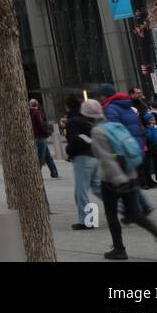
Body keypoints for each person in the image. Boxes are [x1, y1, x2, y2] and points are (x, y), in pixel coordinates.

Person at [87, 99, 157, 260]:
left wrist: (119, 181)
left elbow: (107, 160)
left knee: (111, 214)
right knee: (135, 214)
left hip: (111, 180)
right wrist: (130, 176)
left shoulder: (97, 132)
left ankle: (119, 249)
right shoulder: (116, 126)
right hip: (130, 173)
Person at [63, 94, 97, 228]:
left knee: (81, 192)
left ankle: (87, 221)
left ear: (67, 106)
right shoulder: (86, 119)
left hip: (82, 158)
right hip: (93, 156)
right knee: (99, 188)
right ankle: (128, 209)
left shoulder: (73, 121)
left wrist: (69, 150)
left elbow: (76, 140)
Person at [30, 99, 60, 179]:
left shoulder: (29, 113)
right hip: (40, 137)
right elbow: (41, 125)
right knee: (41, 157)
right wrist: (47, 133)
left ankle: (54, 172)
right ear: (37, 104)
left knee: (47, 156)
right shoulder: (37, 113)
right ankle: (36, 175)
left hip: (36, 137)